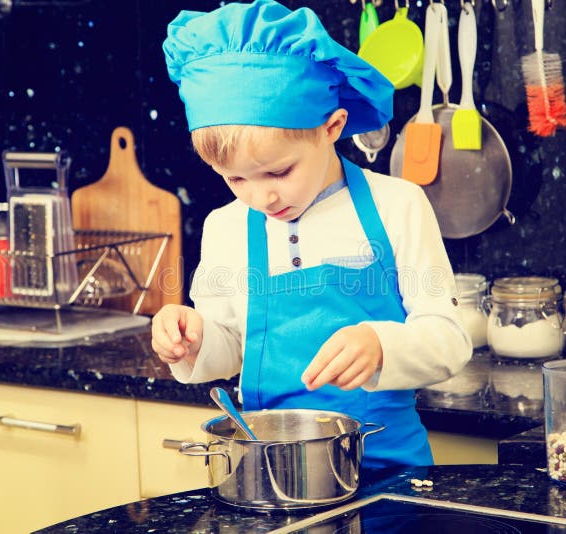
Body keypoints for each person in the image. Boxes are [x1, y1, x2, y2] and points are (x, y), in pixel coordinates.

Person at [153, 0, 472, 469]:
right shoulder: (226, 226)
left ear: (332, 128)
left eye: (278, 171)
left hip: (388, 472)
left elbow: (449, 339)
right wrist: (195, 338)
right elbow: (231, 348)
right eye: (236, 179)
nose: (260, 197)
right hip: (272, 475)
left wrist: (383, 344)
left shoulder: (397, 205)